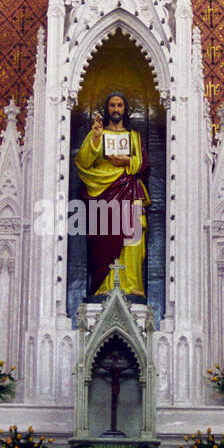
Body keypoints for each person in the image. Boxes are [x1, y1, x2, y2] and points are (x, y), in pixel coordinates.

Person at [75, 92, 149, 297]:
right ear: (107, 109)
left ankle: (132, 285)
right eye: (112, 105)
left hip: (129, 191)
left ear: (125, 109)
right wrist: (97, 137)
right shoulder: (98, 133)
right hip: (104, 195)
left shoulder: (133, 137)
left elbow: (145, 165)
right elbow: (83, 161)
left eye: (120, 105)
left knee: (132, 239)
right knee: (104, 239)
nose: (116, 109)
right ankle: (104, 286)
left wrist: (126, 161)